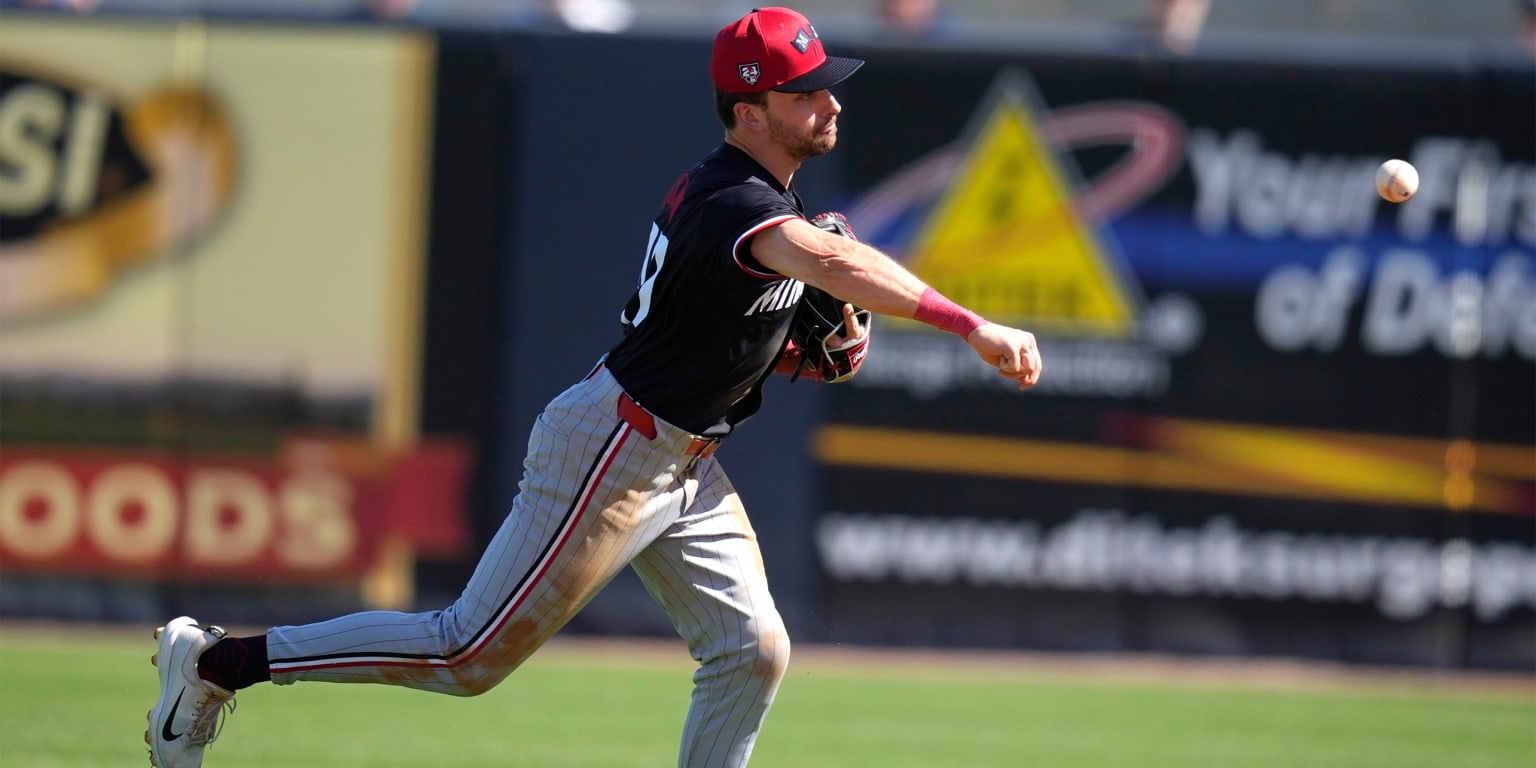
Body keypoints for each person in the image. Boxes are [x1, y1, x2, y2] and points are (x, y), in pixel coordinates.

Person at [143, 7, 1042, 768]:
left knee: (752, 648)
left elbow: (738, 327)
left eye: (824, 84)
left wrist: (803, 350)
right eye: (805, 90)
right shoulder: (739, 202)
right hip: (616, 446)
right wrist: (974, 326)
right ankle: (221, 662)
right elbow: (829, 258)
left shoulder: (754, 203)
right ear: (751, 110)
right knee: (464, 653)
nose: (829, 100)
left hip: (683, 460)